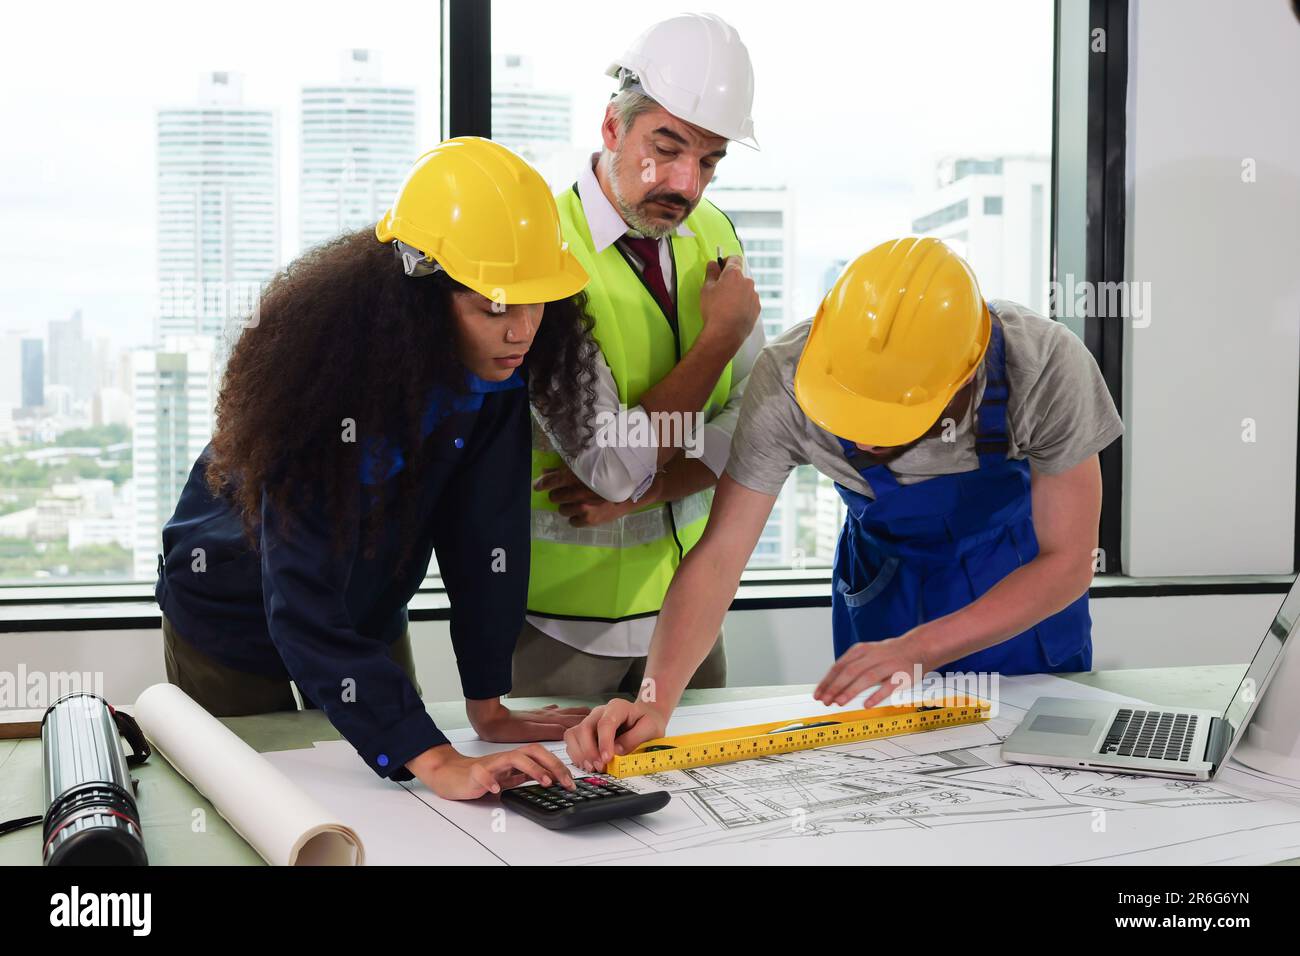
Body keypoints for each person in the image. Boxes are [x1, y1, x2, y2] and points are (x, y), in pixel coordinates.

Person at [565, 237, 1125, 771]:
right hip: (888, 588)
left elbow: (1069, 561)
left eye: (888, 424)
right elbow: (720, 555)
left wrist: (924, 646)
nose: (863, 443)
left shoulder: (1046, 366)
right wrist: (655, 700)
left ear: (966, 373)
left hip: (1020, 593)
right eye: (849, 417)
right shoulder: (787, 378)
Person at [154, 137, 600, 799]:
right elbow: (299, 604)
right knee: (251, 801)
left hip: (367, 605)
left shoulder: (496, 375)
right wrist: (435, 757)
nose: (521, 332)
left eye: (534, 302)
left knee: (409, 789)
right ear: (421, 295)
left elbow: (489, 540)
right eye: (493, 308)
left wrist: (487, 701)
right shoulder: (324, 390)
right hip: (233, 610)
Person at [515, 13, 764, 696]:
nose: (686, 185)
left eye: (710, 161)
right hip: (561, 630)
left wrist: (651, 488)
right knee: (558, 800)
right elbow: (612, 465)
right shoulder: (545, 248)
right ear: (611, 128)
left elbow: (759, 423)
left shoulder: (713, 232)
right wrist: (719, 339)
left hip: (687, 616)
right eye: (667, 147)